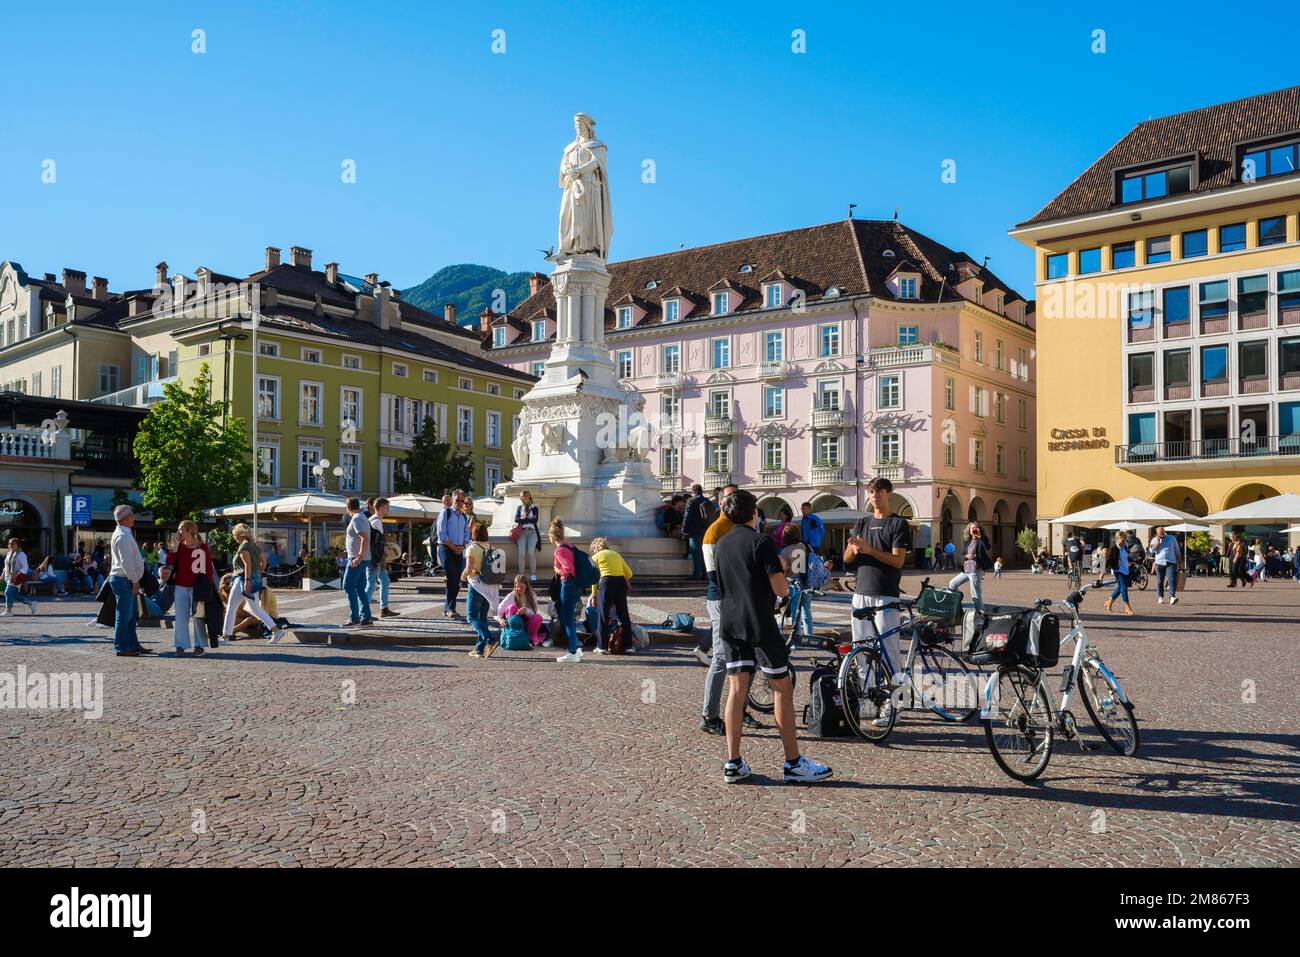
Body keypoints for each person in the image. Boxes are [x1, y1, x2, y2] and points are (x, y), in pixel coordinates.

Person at [714, 488, 833, 785]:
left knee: (736, 690)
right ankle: (793, 762)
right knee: (781, 687)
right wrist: (781, 570)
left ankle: (733, 761)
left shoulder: (721, 543)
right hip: (759, 622)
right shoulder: (761, 541)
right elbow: (781, 589)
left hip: (730, 622)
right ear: (755, 513)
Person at [844, 477, 912, 727]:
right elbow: (847, 557)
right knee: (860, 649)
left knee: (890, 652)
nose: (874, 496)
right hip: (861, 591)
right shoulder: (862, 522)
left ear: (889, 494)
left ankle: (893, 706)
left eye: (879, 492)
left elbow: (898, 561)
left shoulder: (898, 524)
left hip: (886, 594)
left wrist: (870, 549)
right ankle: (867, 700)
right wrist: (855, 547)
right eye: (872, 492)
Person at [701, 483, 762, 733]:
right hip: (721, 600)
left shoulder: (744, 526)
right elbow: (714, 576)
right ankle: (710, 715)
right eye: (727, 499)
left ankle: (740, 708)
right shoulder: (714, 533)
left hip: (742, 599)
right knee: (720, 658)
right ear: (721, 503)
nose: (731, 502)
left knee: (751, 659)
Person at [223, 523, 284, 642]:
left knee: (231, 608)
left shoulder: (243, 547)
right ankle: (276, 630)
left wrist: (247, 580)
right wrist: (257, 574)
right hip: (254, 579)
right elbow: (264, 562)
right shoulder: (255, 546)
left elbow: (247, 565)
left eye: (235, 535)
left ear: (241, 535)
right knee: (255, 608)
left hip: (241, 579)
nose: (234, 538)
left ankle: (226, 637)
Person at [166, 520, 216, 657]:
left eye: (181, 530)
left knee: (198, 617)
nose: (178, 533)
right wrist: (174, 548)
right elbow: (169, 563)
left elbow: (208, 568)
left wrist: (209, 586)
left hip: (197, 587)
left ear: (190, 531)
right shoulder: (178, 546)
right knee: (180, 617)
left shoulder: (202, 547)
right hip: (180, 586)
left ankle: (199, 646)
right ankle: (180, 646)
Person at [107, 506, 151, 655]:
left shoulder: (124, 533)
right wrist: (134, 580)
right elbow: (126, 562)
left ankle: (132, 644)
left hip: (125, 579)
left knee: (130, 616)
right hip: (124, 579)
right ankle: (122, 647)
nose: (134, 517)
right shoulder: (123, 536)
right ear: (125, 518)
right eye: (131, 515)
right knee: (124, 615)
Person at [588, 537, 634, 654]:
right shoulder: (616, 554)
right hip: (620, 583)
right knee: (623, 616)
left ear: (594, 549)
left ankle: (601, 647)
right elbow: (629, 573)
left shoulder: (594, 557)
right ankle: (629, 646)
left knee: (603, 615)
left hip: (606, 582)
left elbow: (594, 578)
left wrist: (594, 595)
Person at [463, 522, 500, 658]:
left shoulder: (471, 548)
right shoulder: (492, 547)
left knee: (472, 617)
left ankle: (490, 640)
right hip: (490, 585)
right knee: (482, 618)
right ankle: (479, 649)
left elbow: (468, 568)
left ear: (473, 534)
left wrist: (462, 576)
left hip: (476, 585)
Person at [549, 518, 583, 662]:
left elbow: (568, 570)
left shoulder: (560, 550)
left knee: (567, 619)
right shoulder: (569, 545)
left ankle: (572, 652)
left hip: (568, 584)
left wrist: (558, 569)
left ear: (551, 536)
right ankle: (576, 647)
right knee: (565, 617)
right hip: (575, 585)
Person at [437, 490, 470, 618]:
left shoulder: (463, 516)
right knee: (452, 578)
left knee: (457, 580)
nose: (460, 503)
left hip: (459, 549)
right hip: (446, 548)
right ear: (452, 499)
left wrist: (462, 545)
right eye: (458, 500)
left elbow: (466, 533)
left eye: (463, 501)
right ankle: (451, 608)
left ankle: (447, 607)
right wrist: (453, 546)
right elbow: (441, 533)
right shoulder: (446, 512)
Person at [367, 498, 400, 619]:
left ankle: (384, 609)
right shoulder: (376, 521)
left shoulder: (374, 520)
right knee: (371, 584)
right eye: (387, 507)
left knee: (385, 581)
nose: (388, 509)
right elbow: (377, 543)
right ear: (380, 508)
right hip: (375, 558)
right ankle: (364, 612)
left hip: (377, 557)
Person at [780, 524, 815, 639]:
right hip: (808, 581)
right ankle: (809, 634)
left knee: (795, 609)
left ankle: (796, 634)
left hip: (794, 582)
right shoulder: (806, 546)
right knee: (806, 609)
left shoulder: (785, 551)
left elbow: (784, 569)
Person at [948, 522, 992, 609]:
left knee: (975, 592)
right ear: (970, 531)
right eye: (972, 528)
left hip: (975, 570)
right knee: (952, 584)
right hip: (966, 570)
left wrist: (980, 536)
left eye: (976, 528)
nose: (974, 530)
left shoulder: (982, 540)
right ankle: (956, 603)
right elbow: (962, 555)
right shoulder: (968, 542)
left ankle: (979, 612)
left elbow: (987, 547)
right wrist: (966, 556)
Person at [497, 575, 545, 646]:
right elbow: (498, 610)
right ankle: (511, 633)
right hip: (513, 622)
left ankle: (530, 638)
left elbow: (534, 614)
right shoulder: (511, 596)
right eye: (517, 586)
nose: (519, 589)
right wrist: (500, 619)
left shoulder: (532, 595)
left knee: (538, 617)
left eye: (522, 586)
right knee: (512, 607)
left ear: (526, 586)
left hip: (526, 623)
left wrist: (526, 610)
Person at [682, 484, 713, 581]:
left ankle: (696, 574)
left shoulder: (691, 501)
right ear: (701, 491)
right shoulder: (707, 501)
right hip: (706, 530)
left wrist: (684, 530)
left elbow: (687, 516)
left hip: (694, 530)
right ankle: (705, 574)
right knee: (704, 552)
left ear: (693, 491)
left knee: (696, 552)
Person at [3, 538, 37, 616]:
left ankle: (8, 611)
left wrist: (17, 573)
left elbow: (25, 567)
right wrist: (2, 575)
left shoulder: (21, 554)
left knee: (7, 592)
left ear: (18, 545)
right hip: (8, 577)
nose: (10, 545)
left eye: (13, 543)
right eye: (10, 543)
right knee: (15, 595)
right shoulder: (9, 553)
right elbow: (6, 566)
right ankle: (31, 604)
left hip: (16, 578)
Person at [1104, 530, 1135, 615]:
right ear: (1117, 539)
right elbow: (1108, 559)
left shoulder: (1124, 547)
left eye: (1124, 540)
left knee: (1120, 588)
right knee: (1124, 587)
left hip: (1125, 570)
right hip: (1118, 570)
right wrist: (1103, 571)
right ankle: (1127, 607)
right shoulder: (1113, 548)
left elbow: (1126, 557)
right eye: (1121, 540)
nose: (1123, 542)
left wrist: (1132, 561)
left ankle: (1109, 601)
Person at [1148, 525, 1180, 605]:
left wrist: (1179, 561)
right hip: (1159, 563)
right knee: (1160, 581)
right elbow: (1151, 551)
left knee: (1172, 579)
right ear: (1157, 533)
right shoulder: (1154, 540)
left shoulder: (1171, 538)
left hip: (1171, 562)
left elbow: (1177, 550)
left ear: (1164, 531)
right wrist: (1158, 542)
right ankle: (1161, 596)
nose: (1161, 534)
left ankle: (1172, 597)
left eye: (1162, 532)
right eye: (1159, 533)